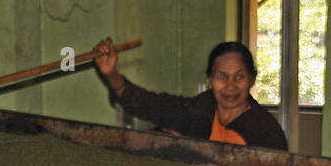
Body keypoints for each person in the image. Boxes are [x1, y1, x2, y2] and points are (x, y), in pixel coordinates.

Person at [93, 37, 288, 150]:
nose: (230, 86)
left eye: (239, 77)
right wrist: (111, 74)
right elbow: (145, 103)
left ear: (252, 80)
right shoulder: (195, 112)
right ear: (209, 80)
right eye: (222, 76)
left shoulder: (266, 132)